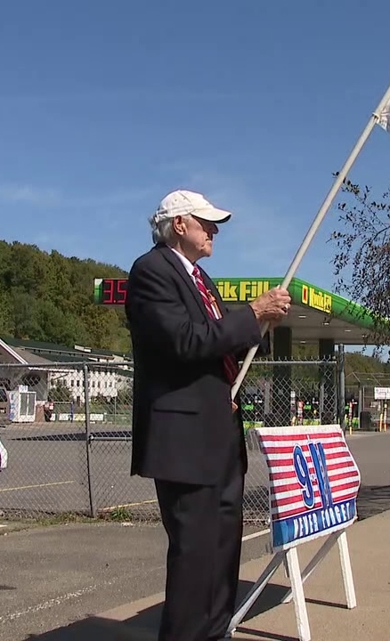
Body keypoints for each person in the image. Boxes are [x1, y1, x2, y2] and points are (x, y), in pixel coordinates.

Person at [125, 189, 291, 641]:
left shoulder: (204, 281)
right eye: (206, 222)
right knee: (194, 556)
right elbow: (184, 341)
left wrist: (260, 325)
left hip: (220, 438)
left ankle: (217, 632)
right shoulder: (151, 272)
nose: (214, 230)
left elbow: (218, 345)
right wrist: (250, 312)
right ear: (179, 224)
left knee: (222, 554)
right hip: (183, 443)